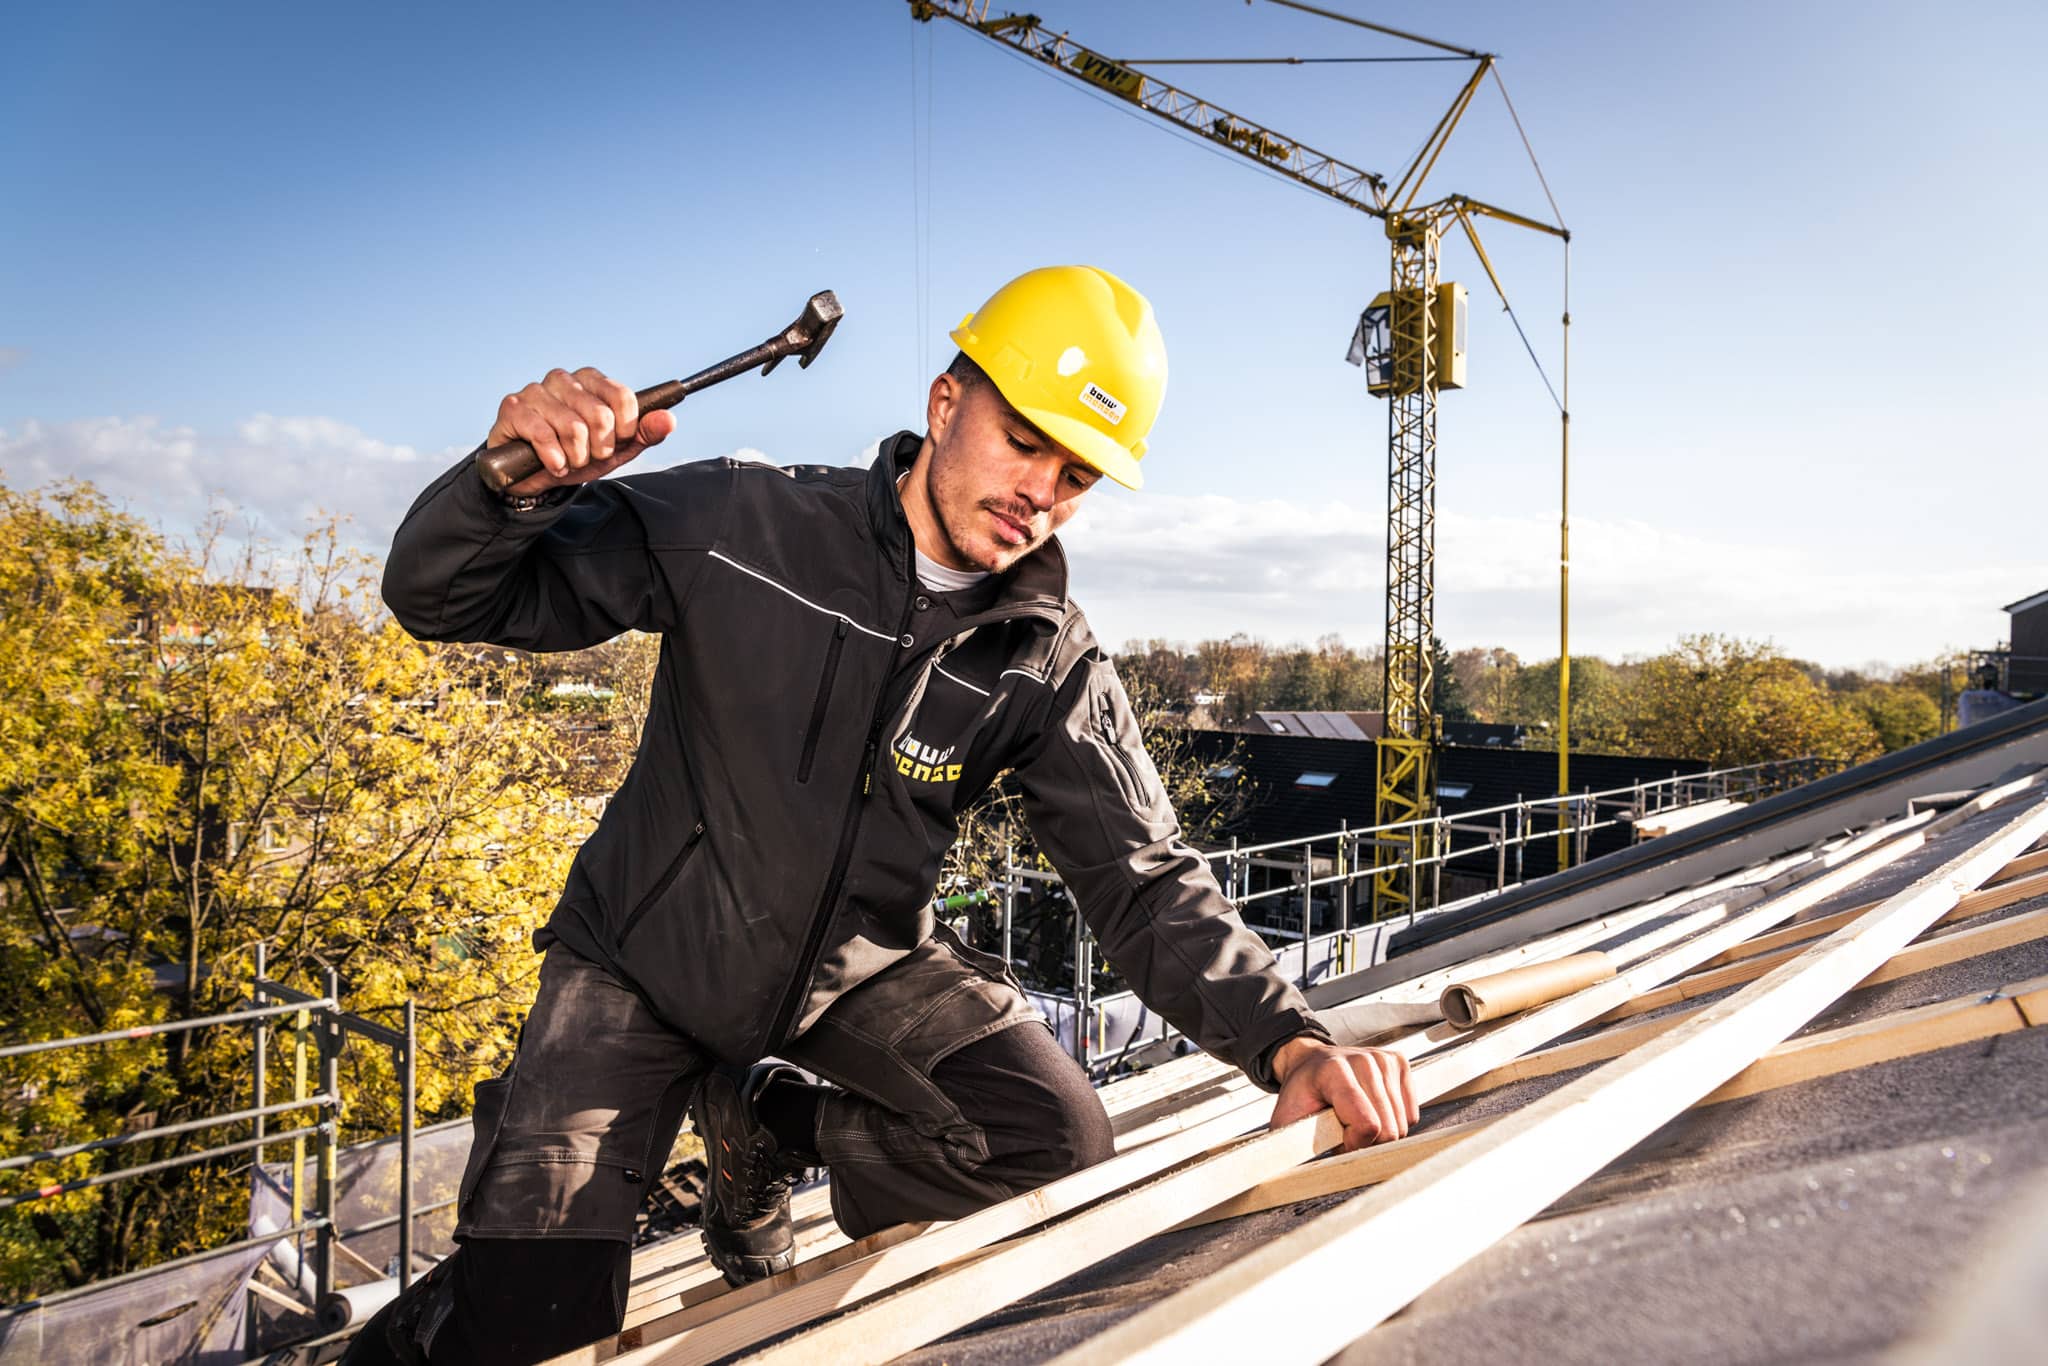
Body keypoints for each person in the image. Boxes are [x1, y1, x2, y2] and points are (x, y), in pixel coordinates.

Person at [345, 266, 1417, 1364]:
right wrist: (509, 489)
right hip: (639, 962)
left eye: (1075, 473)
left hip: (856, 968)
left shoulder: (1045, 654)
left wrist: (1290, 1041)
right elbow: (441, 594)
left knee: (1051, 1146)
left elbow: (1140, 875)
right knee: (536, 1330)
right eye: (1023, 441)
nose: (1039, 491)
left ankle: (767, 1121)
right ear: (946, 404)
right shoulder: (744, 524)